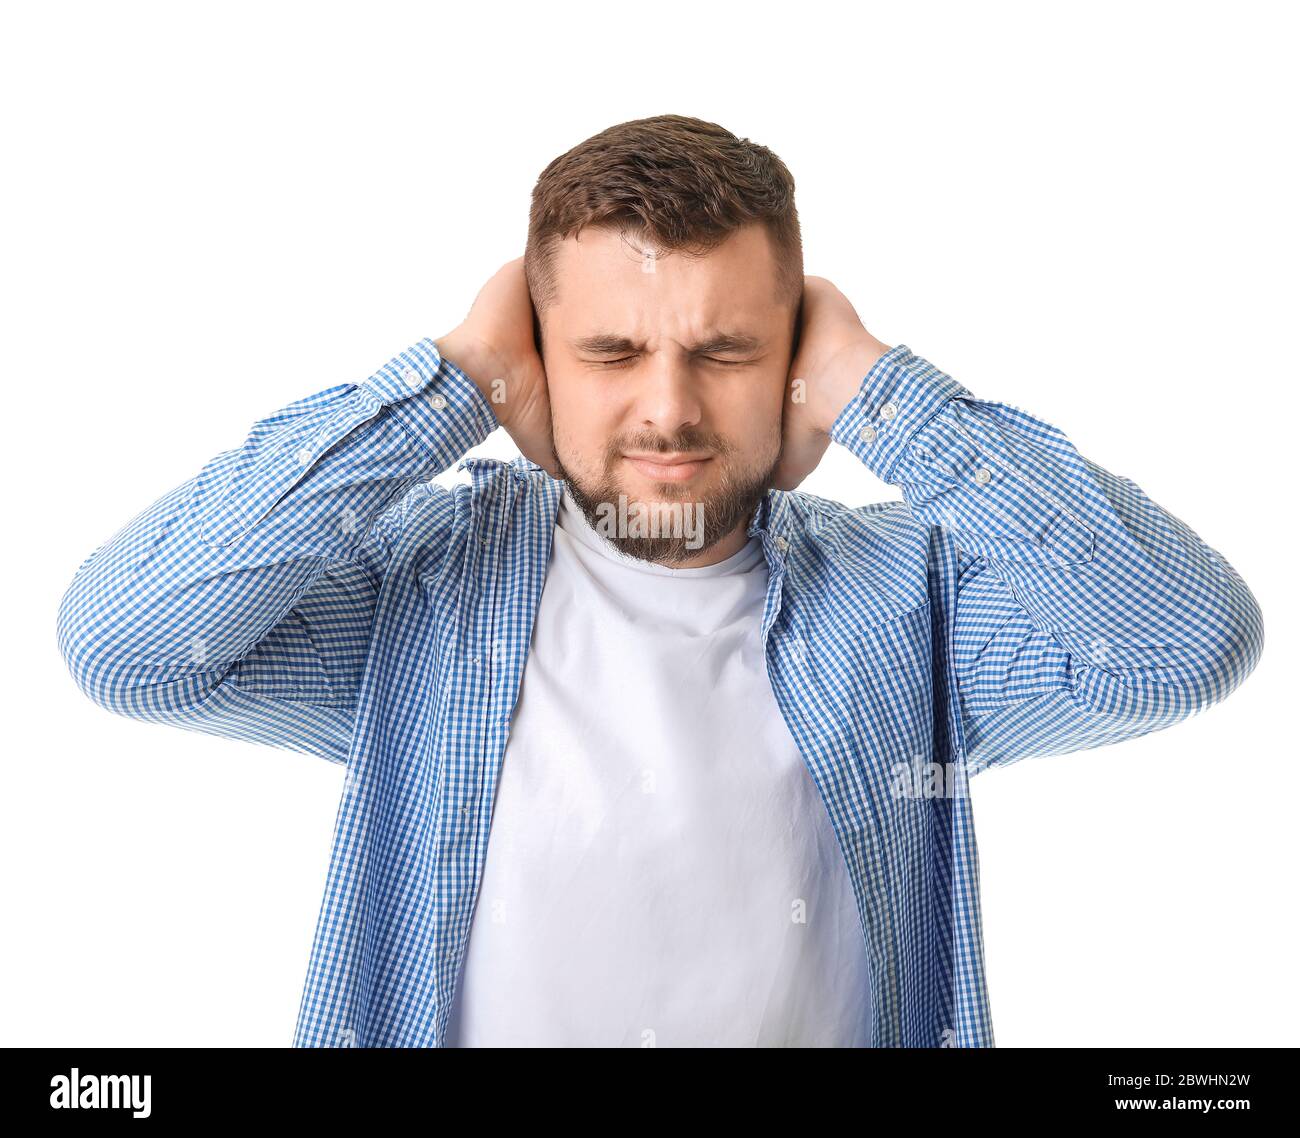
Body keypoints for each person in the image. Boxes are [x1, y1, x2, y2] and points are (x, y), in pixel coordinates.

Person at [55, 114, 1264, 1048]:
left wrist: (880, 395)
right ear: (541, 357)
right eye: (611, 351)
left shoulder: (916, 601)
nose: (669, 408)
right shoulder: (416, 597)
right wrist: (449, 383)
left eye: (726, 349)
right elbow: (130, 646)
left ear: (791, 356)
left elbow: (1182, 645)